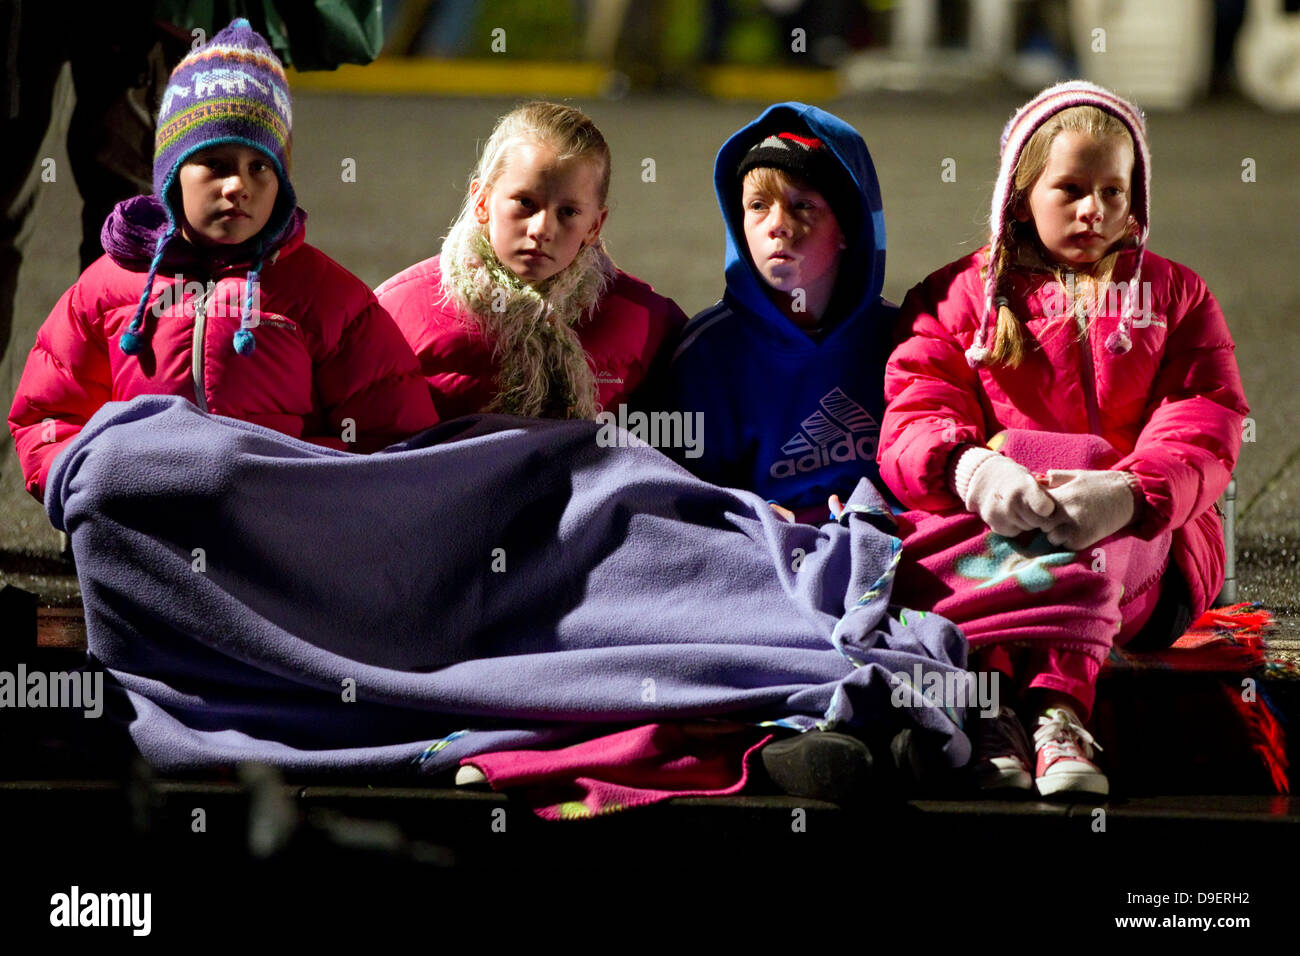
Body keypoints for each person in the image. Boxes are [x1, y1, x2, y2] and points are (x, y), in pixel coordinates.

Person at [879, 81, 1248, 796]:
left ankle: (1057, 707)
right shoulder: (952, 299)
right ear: (1021, 194)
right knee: (1020, 454)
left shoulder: (1177, 297)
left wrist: (1129, 492)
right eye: (1071, 188)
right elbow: (913, 413)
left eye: (1115, 191)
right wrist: (971, 469)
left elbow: (1206, 419)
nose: (1095, 210)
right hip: (999, 542)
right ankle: (997, 707)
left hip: (1145, 555)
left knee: (1088, 459)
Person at [8, 19, 437, 502]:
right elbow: (47, 417)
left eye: (259, 166)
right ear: (170, 175)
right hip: (143, 526)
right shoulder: (105, 288)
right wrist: (85, 482)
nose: (238, 185)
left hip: (275, 536)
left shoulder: (327, 296)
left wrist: (299, 482)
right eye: (215, 164)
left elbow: (395, 434)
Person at [376, 101, 684, 423]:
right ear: (482, 202)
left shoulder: (649, 322)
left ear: (594, 225)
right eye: (526, 202)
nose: (541, 229)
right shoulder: (397, 311)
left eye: (568, 212)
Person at [669, 102, 895, 523]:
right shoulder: (709, 352)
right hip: (761, 552)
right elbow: (687, 497)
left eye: (803, 205)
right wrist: (744, 512)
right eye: (758, 206)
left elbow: (922, 476)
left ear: (849, 228)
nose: (777, 224)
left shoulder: (898, 338)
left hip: (885, 539)